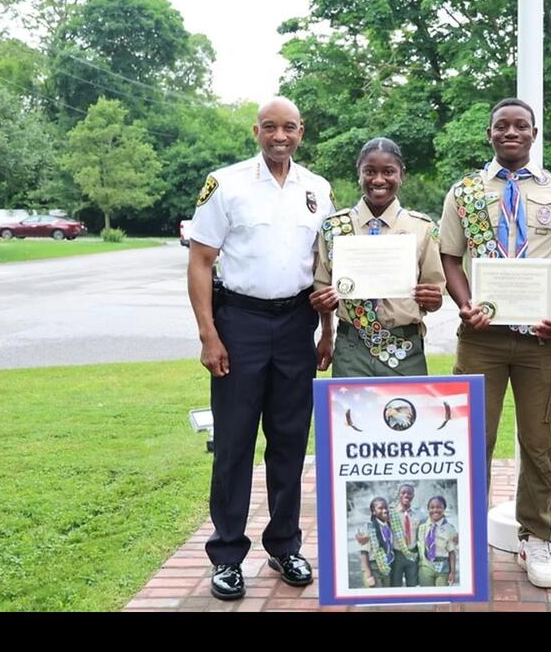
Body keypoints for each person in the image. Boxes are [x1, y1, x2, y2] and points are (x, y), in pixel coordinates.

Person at [186, 96, 335, 600]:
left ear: (301, 131)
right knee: (233, 443)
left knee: (290, 441)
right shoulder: (225, 184)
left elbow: (325, 267)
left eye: (288, 127)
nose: (279, 136)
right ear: (256, 131)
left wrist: (327, 330)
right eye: (270, 127)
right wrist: (209, 333)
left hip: (296, 324)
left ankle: (284, 544)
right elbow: (202, 262)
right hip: (240, 323)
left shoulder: (317, 189)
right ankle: (227, 555)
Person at [438, 97, 551, 589]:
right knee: (471, 441)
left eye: (520, 125)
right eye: (501, 126)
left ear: (534, 133)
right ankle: (463, 538)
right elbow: (450, 257)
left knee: (538, 442)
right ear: (489, 134)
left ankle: (535, 538)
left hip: (540, 342)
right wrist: (464, 304)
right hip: (481, 339)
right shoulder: (466, 193)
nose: (511, 133)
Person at [311, 137, 444, 376]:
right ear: (359, 174)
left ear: (401, 174)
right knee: (350, 413)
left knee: (406, 412)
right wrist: (325, 318)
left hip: (404, 347)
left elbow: (434, 294)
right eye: (369, 171)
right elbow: (322, 290)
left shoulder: (422, 228)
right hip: (352, 346)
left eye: (389, 172)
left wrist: (433, 299)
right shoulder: (335, 228)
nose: (379, 180)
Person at [416, 496, 458, 586]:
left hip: (442, 568)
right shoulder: (422, 526)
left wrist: (453, 572)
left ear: (444, 508)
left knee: (442, 596)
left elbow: (452, 552)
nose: (435, 510)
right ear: (428, 509)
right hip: (425, 567)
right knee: (427, 596)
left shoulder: (449, 529)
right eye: (432, 507)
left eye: (439, 507)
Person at [358, 497, 393, 588]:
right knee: (373, 595)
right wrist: (369, 576)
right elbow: (364, 553)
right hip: (373, 568)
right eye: (380, 508)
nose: (385, 510)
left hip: (386, 567)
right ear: (373, 511)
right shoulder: (368, 528)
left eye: (386, 507)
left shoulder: (388, 526)